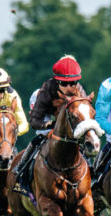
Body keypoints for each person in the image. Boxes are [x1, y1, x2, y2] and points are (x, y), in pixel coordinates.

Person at [14, 55, 88, 193]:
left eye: (73, 82)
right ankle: (20, 172)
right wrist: (52, 125)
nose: (69, 87)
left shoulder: (79, 90)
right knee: (38, 141)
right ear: (57, 79)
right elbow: (35, 122)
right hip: (47, 121)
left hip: (68, 129)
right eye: (64, 83)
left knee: (85, 147)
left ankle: (93, 175)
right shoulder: (44, 92)